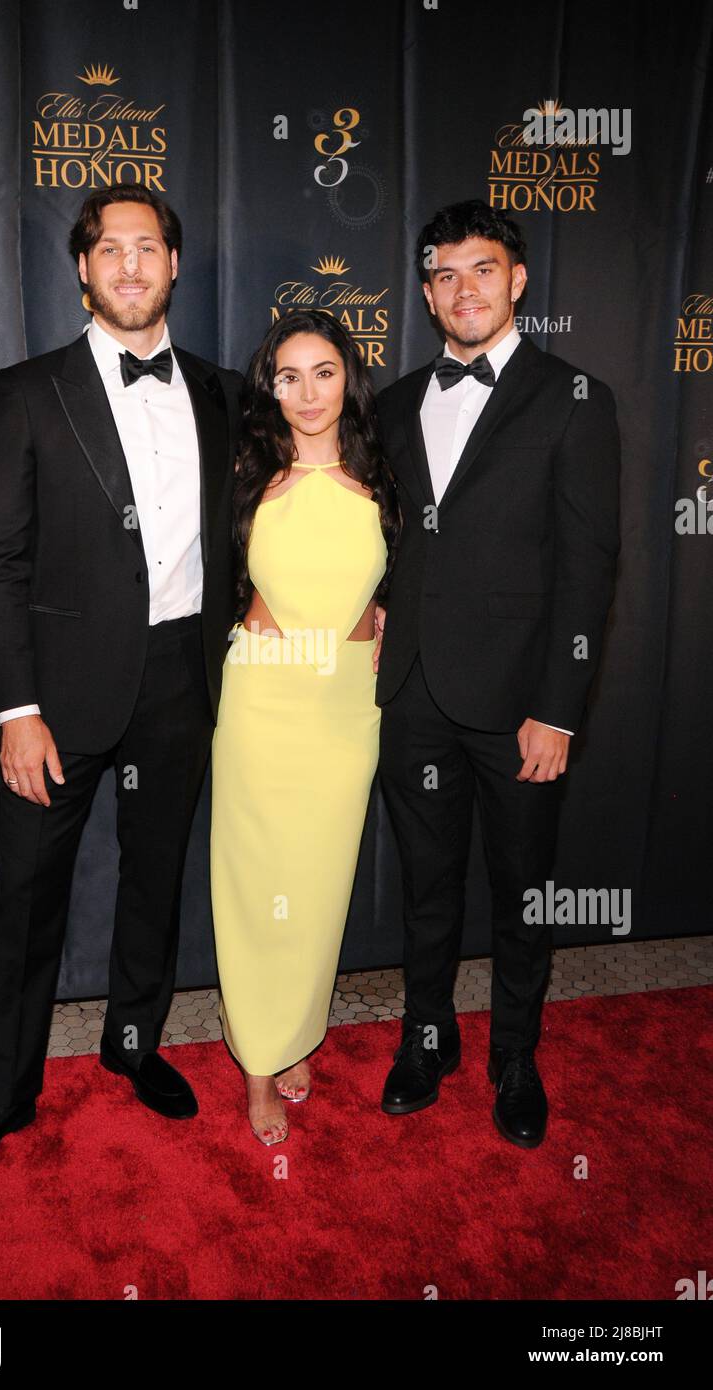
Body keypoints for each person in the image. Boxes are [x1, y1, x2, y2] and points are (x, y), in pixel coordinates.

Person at [0, 184, 243, 1192]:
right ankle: (3, 1097)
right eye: (112, 249)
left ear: (175, 265)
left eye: (149, 247)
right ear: (82, 269)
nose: (132, 265)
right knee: (25, 900)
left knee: (155, 878)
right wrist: (14, 709)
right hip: (54, 696)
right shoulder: (26, 391)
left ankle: (136, 1043)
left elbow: (307, 484)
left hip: (181, 677)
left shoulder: (225, 391)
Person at [376, 199, 620, 1148]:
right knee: (425, 886)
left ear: (516, 281)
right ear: (427, 292)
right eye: (442, 274)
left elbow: (587, 565)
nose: (460, 289)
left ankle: (514, 1056)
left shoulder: (574, 398)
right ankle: (425, 1039)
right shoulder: (396, 403)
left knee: (522, 892)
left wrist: (558, 711)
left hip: (519, 701)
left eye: (480, 269)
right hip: (412, 695)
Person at [210, 309, 398, 1144]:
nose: (308, 391)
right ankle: (256, 1062)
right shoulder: (245, 470)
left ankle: (294, 1031)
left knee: (318, 887)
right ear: (269, 386)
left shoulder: (386, 473)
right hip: (263, 702)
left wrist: (390, 616)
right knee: (254, 885)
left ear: (347, 378)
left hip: (343, 711)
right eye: (288, 375)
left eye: (324, 371)